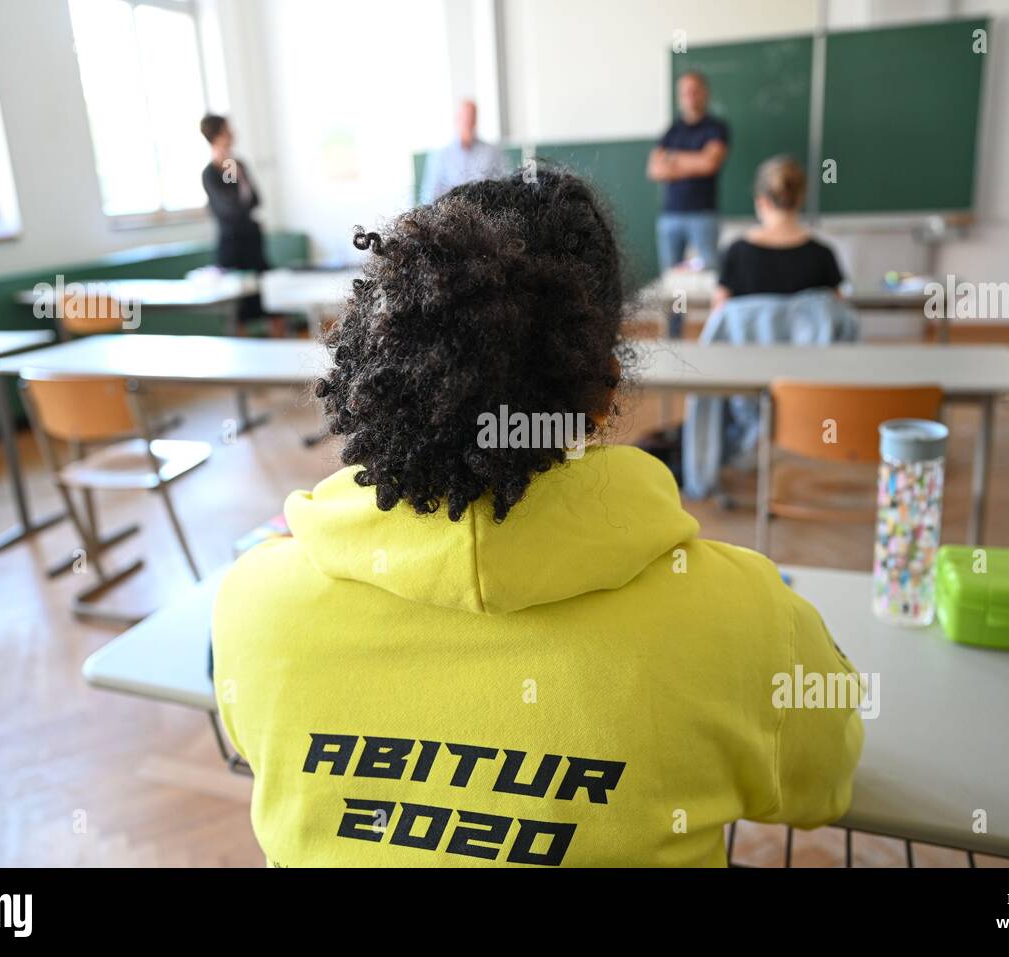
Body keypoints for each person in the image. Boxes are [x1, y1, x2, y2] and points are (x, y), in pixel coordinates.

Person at [211, 168, 862, 868]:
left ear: (385, 362)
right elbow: (822, 783)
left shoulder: (254, 609)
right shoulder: (747, 622)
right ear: (607, 386)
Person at [648, 70, 729, 337]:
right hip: (671, 217)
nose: (690, 96)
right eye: (685, 92)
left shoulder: (716, 128)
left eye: (695, 90)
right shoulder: (672, 130)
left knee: (714, 278)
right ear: (679, 97)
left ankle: (718, 332)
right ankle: (673, 338)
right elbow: (654, 170)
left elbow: (710, 163)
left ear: (705, 93)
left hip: (703, 216)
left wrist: (674, 160)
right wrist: (693, 161)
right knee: (673, 284)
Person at [713, 155, 845, 311]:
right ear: (800, 199)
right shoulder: (822, 255)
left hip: (750, 336)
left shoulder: (736, 253)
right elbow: (836, 317)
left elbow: (719, 316)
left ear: (762, 201)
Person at [200, 114, 271, 329]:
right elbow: (231, 208)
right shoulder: (211, 172)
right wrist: (240, 205)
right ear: (218, 135)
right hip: (232, 244)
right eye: (227, 129)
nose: (233, 133)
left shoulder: (234, 164)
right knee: (238, 308)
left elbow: (254, 200)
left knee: (266, 298)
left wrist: (240, 201)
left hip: (251, 240)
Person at [419, 99, 507, 203]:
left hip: (485, 210)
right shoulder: (440, 156)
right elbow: (429, 196)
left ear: (476, 120)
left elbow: (504, 186)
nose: (468, 122)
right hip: (450, 213)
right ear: (456, 119)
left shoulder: (491, 152)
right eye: (464, 118)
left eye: (471, 118)